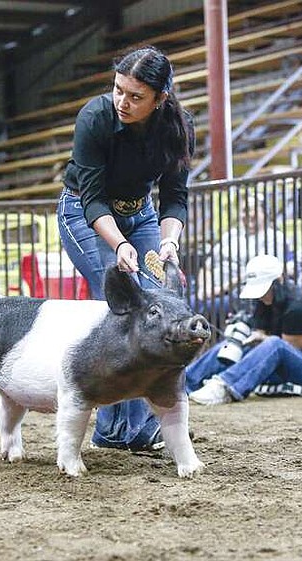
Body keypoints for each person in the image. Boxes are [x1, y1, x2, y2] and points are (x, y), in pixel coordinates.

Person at [56, 46, 195, 451]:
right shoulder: (95, 117)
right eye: (118, 90)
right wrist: (119, 245)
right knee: (120, 300)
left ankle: (132, 429)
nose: (123, 102)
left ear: (160, 99)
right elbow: (93, 198)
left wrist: (169, 241)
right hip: (85, 212)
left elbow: (174, 196)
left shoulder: (179, 126)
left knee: (157, 305)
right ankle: (112, 428)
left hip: (143, 215)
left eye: (136, 96)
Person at [186, 254, 302, 405]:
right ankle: (185, 382)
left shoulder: (298, 307)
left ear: (279, 281)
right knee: (235, 343)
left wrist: (262, 338)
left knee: (275, 345)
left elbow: (290, 349)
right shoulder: (266, 302)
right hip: (281, 367)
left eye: (264, 290)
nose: (261, 296)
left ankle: (224, 386)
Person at [194, 194, 287, 321]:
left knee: (202, 308)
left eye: (253, 210)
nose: (248, 214)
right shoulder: (231, 235)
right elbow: (207, 267)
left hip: (238, 293)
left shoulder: (273, 237)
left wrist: (219, 289)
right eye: (244, 211)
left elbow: (261, 274)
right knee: (183, 302)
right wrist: (203, 289)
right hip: (209, 292)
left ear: (265, 213)